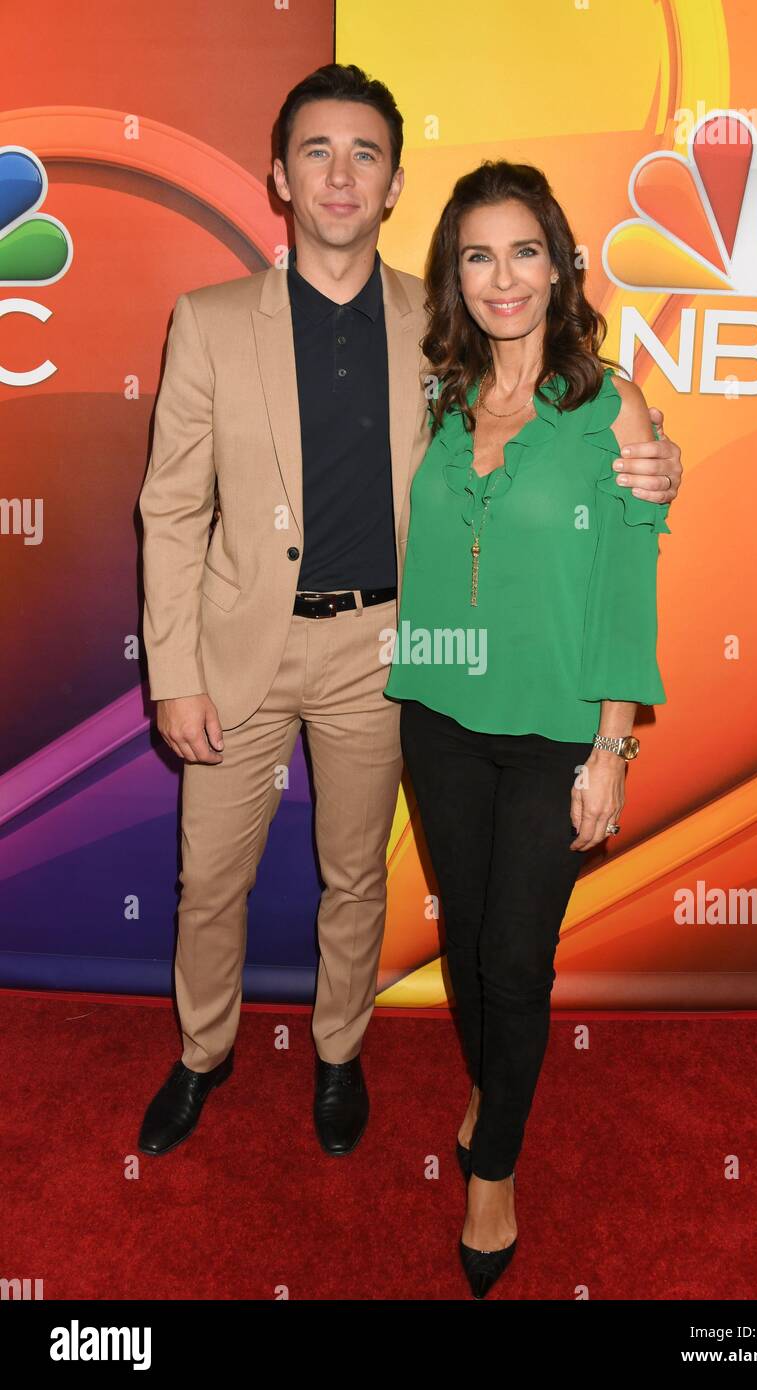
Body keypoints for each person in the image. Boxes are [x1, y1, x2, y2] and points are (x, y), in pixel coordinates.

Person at [137, 65, 683, 1174]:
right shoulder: (205, 322)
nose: (340, 174)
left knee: (355, 874)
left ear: (392, 184)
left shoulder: (440, 331)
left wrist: (661, 459)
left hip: (390, 647)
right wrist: (172, 671)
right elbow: (170, 506)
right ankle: (203, 1052)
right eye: (317, 152)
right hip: (237, 641)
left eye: (366, 154)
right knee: (208, 878)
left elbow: (575, 425)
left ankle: (340, 1051)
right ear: (279, 176)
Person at [383, 160, 671, 1298]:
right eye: (476, 255)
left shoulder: (614, 405)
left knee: (516, 957)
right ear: (456, 274)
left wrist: (610, 746)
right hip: (440, 709)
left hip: (556, 726)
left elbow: (625, 584)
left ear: (557, 265)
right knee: (464, 947)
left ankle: (491, 1168)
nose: (502, 277)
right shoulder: (441, 396)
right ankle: (487, 1082)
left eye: (522, 251)